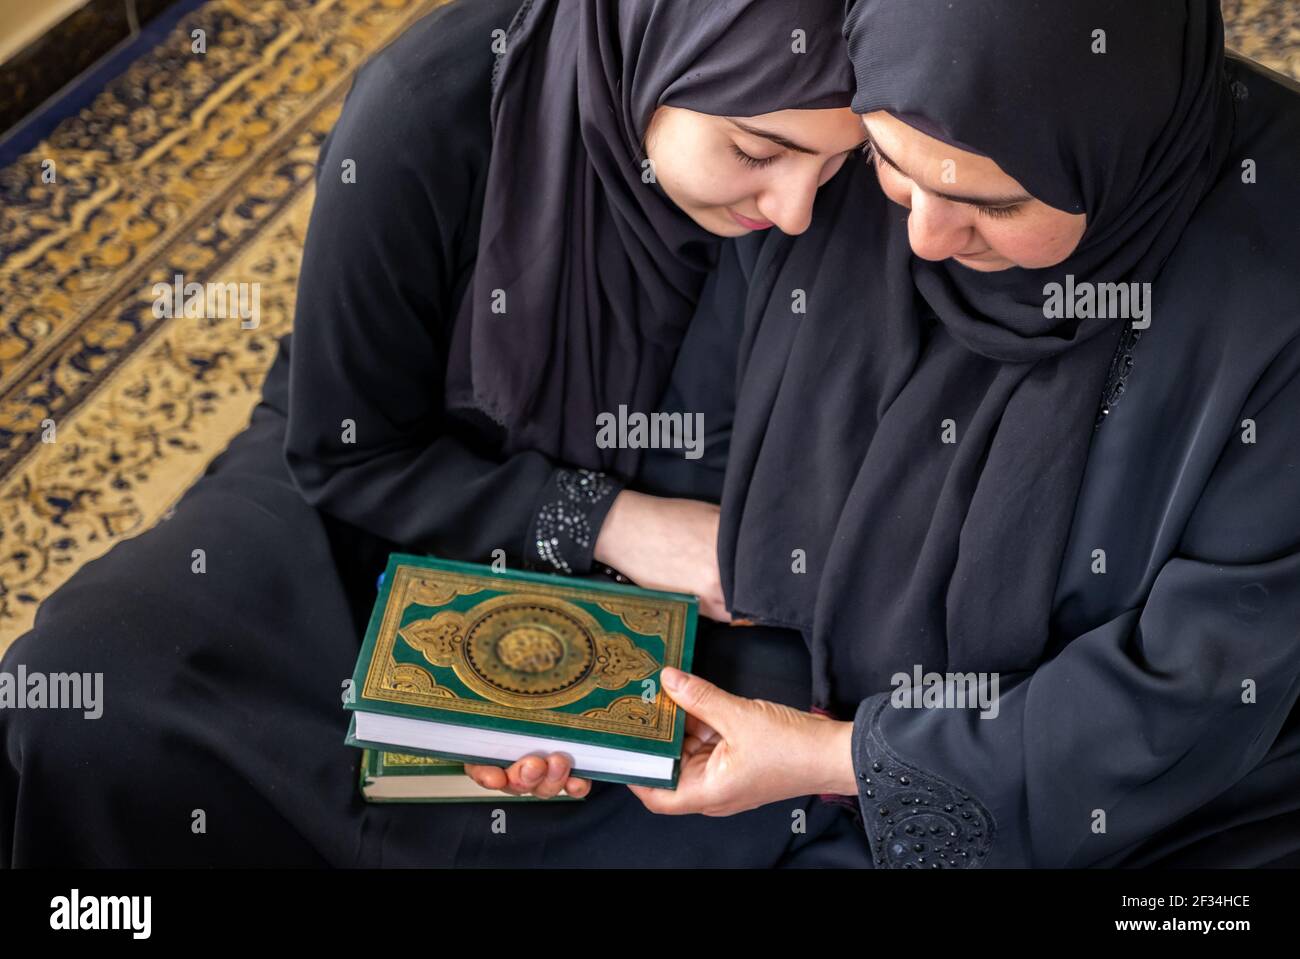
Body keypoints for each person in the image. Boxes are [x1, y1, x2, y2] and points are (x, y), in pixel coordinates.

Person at [0, 0, 874, 866]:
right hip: (395, 495)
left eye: (839, 161)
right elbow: (349, 448)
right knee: (103, 684)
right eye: (760, 152)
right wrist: (612, 520)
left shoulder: (874, 167)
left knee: (787, 805)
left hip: (708, 591)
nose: (797, 208)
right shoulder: (425, 104)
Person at [649, 0, 1300, 868]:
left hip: (1143, 791)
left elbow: (1200, 685)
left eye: (991, 202)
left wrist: (843, 758)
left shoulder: (1272, 300)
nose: (921, 235)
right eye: (890, 163)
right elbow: (712, 449)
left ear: (1112, 162)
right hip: (792, 684)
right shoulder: (844, 147)